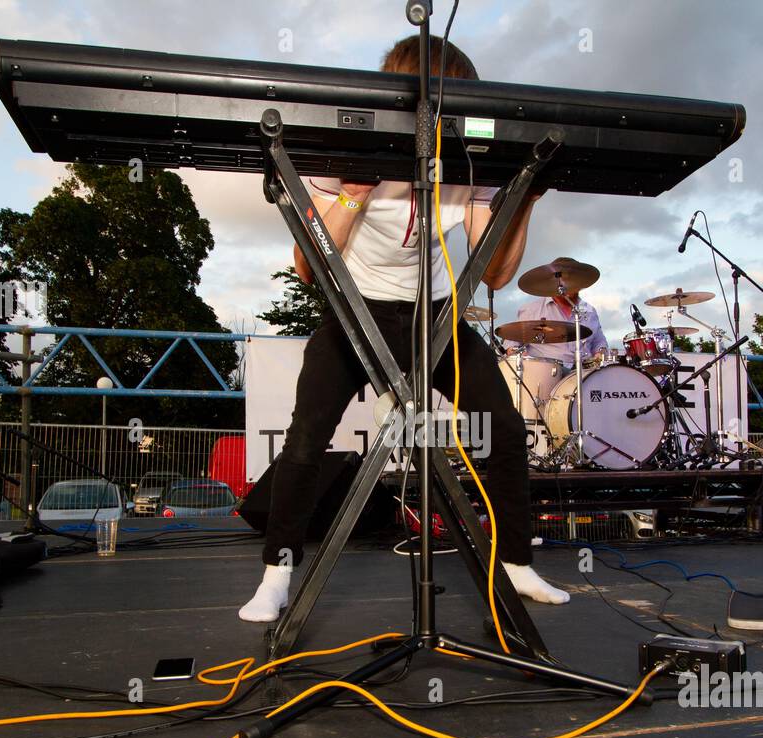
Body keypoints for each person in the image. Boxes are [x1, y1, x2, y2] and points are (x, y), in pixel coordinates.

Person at [240, 35, 570, 622]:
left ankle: (517, 563)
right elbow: (306, 268)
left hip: (434, 313)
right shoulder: (347, 149)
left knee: (503, 426)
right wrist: (352, 196)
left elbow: (496, 272)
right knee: (306, 435)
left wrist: (525, 200)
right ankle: (277, 572)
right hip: (356, 308)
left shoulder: (469, 160)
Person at [513, 286, 608, 367]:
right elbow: (512, 342)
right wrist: (526, 362)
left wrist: (600, 353)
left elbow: (599, 342)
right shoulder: (532, 309)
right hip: (548, 374)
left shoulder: (589, 310)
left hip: (586, 373)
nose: (569, 285)